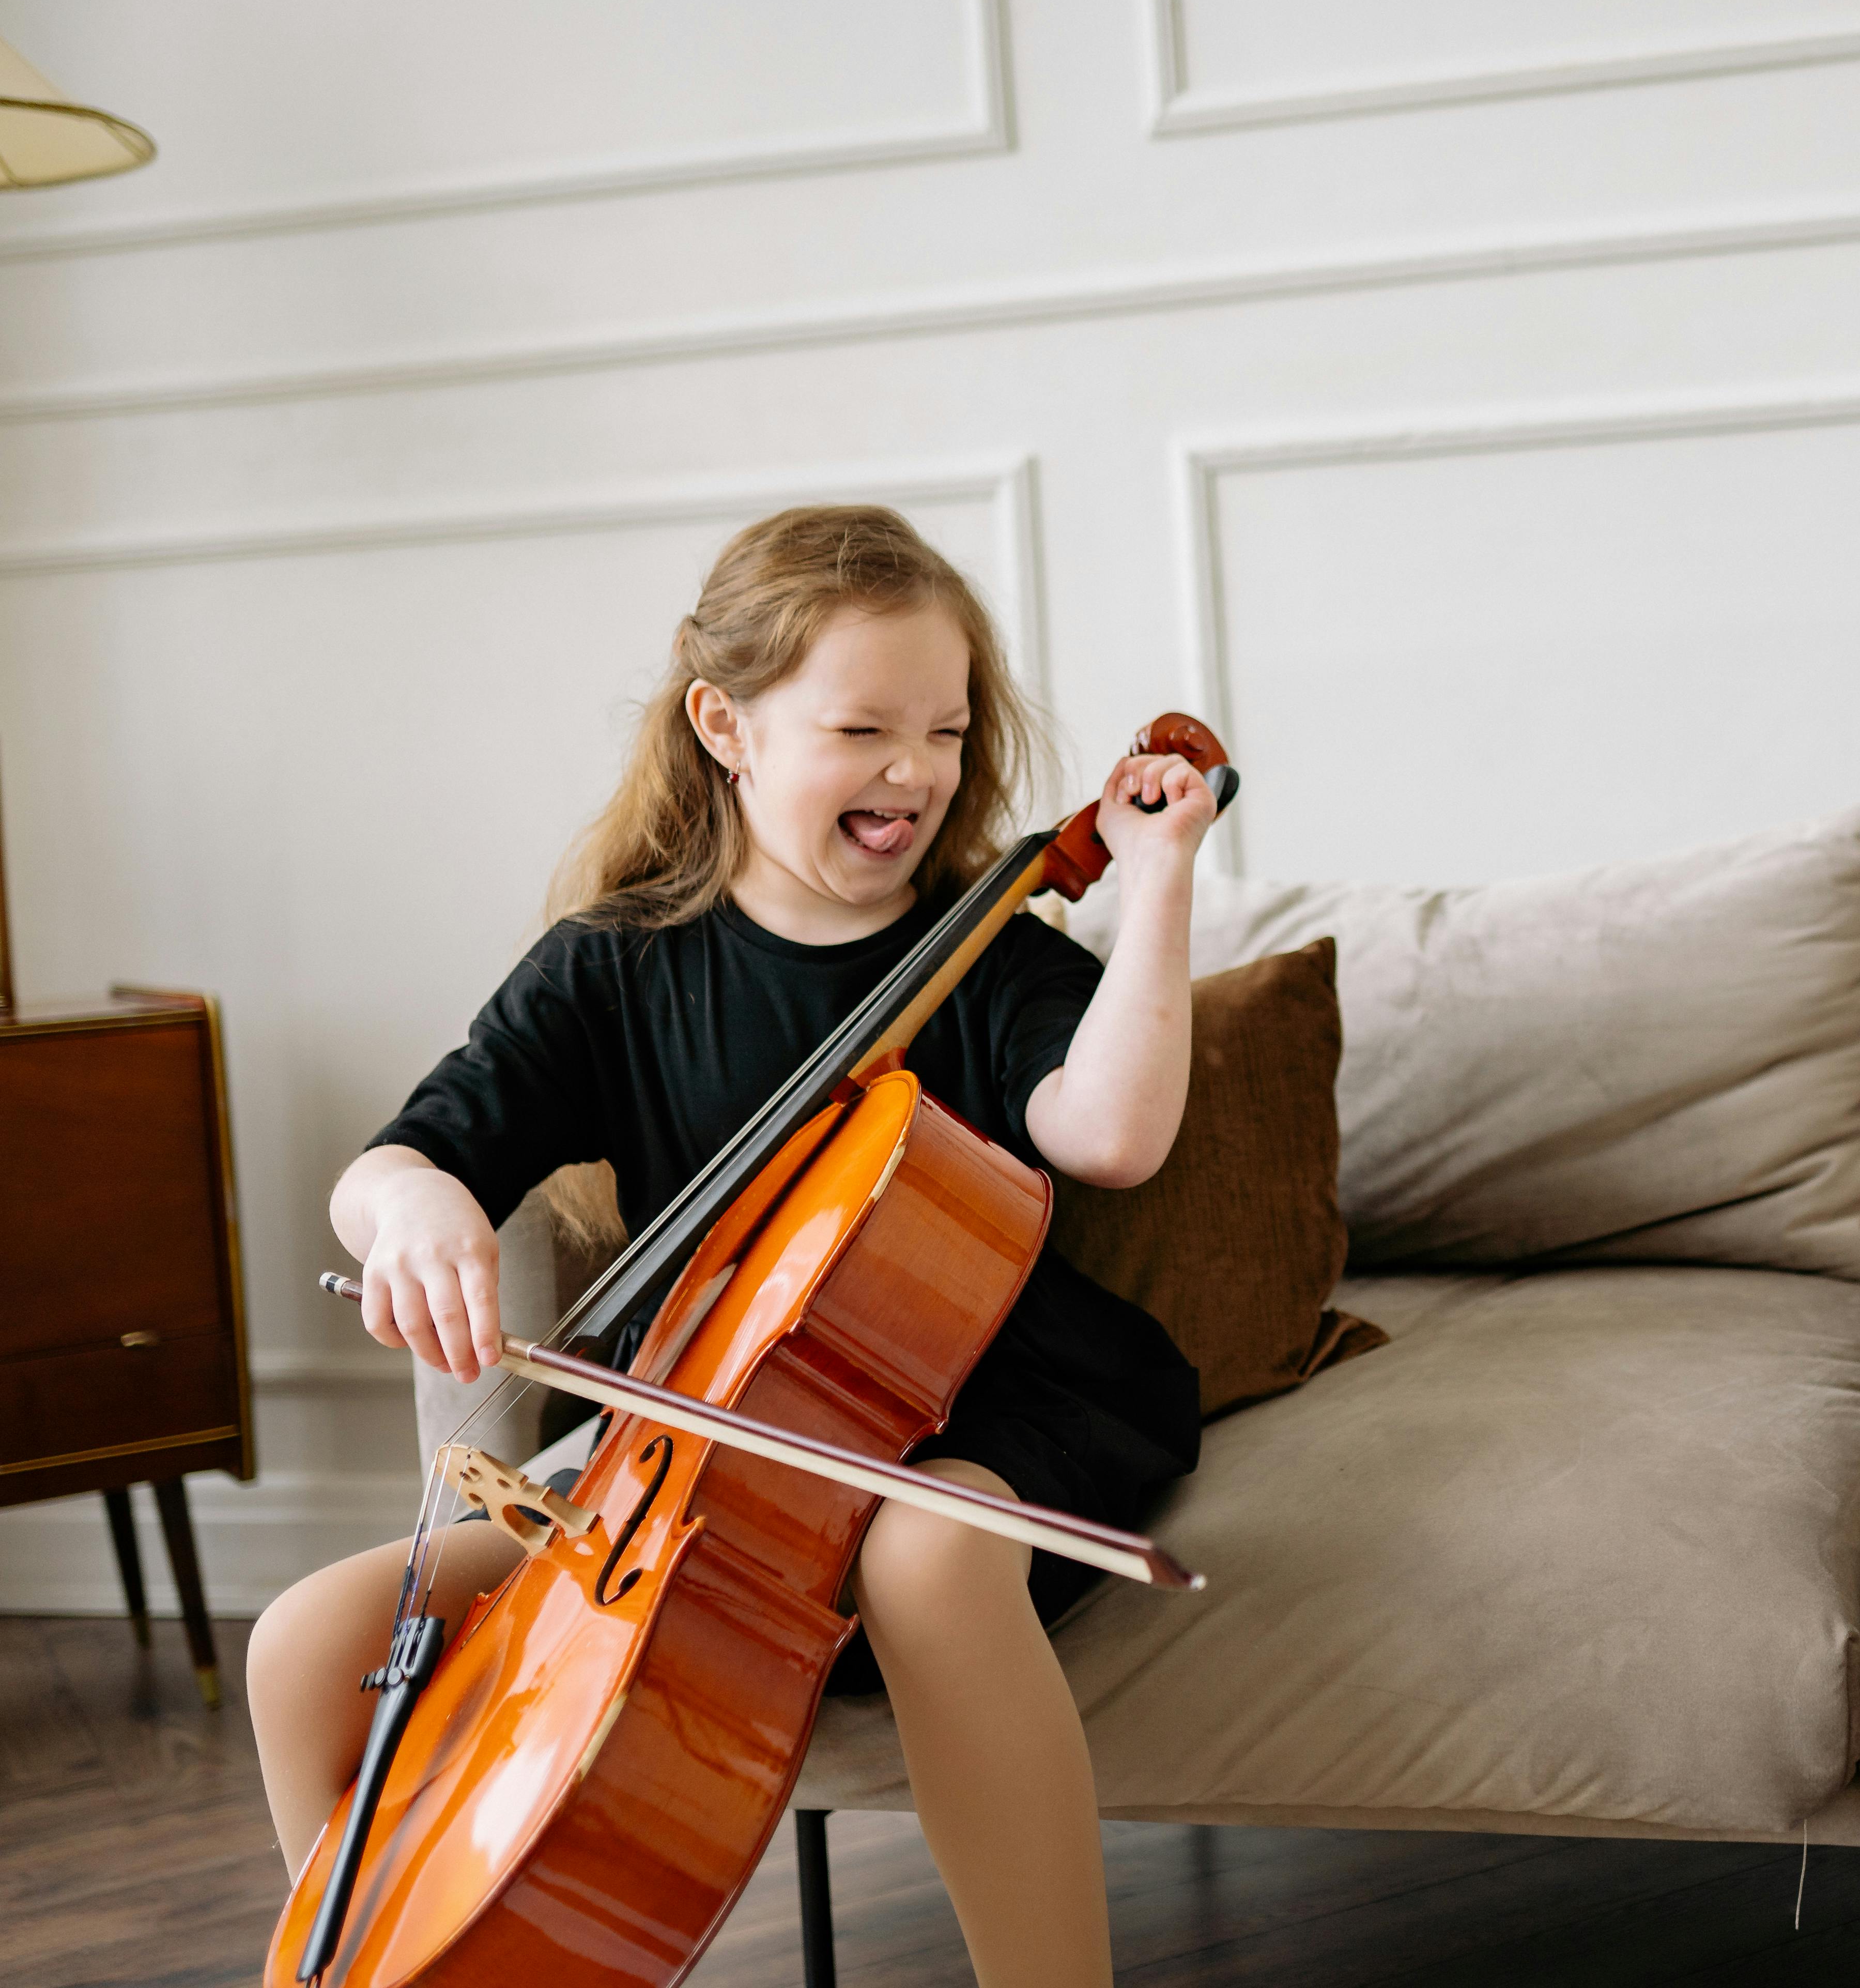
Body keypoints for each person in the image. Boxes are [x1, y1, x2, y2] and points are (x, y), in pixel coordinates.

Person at [248, 506, 1209, 1988]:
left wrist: (1156, 890)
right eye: (864, 728)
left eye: (946, 731)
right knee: (306, 1643)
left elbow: (1110, 1134)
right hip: (704, 1455)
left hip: (979, 1401)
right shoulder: (612, 970)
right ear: (727, 727)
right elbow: (399, 1160)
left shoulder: (989, 947)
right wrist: (414, 1208)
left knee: (930, 1560)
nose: (916, 770)